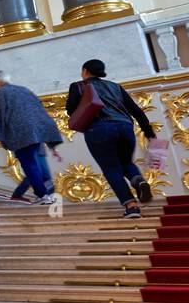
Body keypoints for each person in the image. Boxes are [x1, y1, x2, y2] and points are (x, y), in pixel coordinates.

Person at [66, 59, 156, 218]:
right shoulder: (115, 86)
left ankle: (131, 206)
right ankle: (138, 181)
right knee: (127, 162)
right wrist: (149, 132)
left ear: (85, 71)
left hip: (99, 129)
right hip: (125, 127)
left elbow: (71, 109)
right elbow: (136, 111)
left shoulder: (78, 86)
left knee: (111, 168)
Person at [0, 71, 62, 204]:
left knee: (30, 166)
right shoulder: (24, 90)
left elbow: (1, 116)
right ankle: (46, 195)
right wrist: (51, 141)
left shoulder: (0, 93)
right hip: (36, 134)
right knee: (37, 166)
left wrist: (1, 138)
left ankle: (43, 196)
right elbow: (40, 110)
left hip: (19, 135)